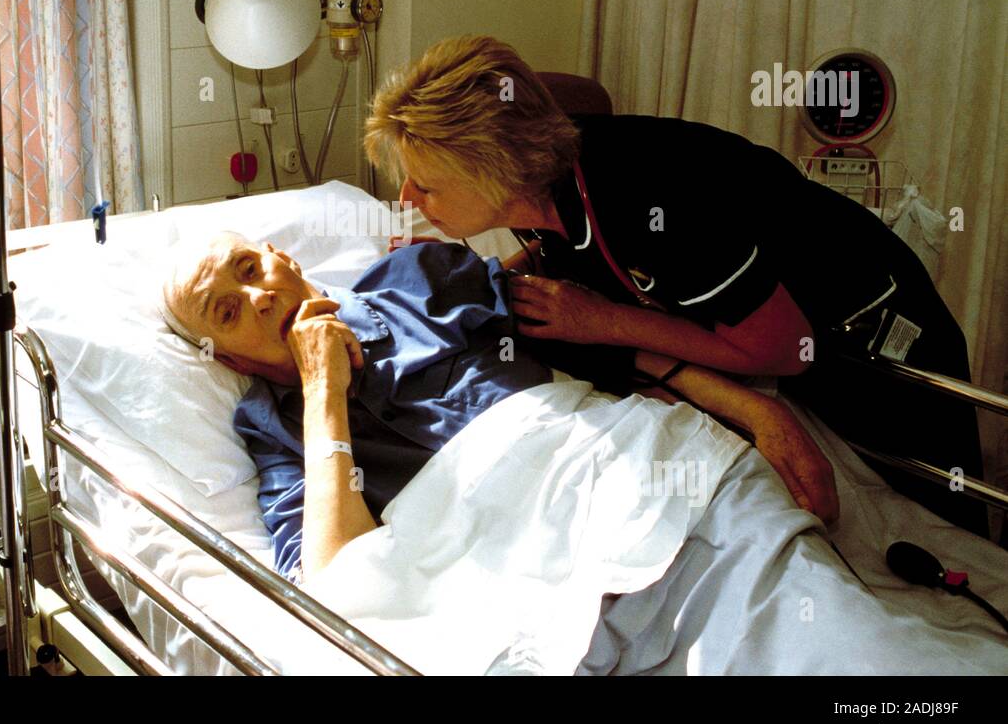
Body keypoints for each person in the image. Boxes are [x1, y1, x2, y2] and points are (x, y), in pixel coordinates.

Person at [363, 34, 991, 540]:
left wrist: (601, 320)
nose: (408, 199)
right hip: (794, 348)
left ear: (496, 172)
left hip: (884, 339)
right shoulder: (549, 189)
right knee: (867, 521)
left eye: (427, 184)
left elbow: (778, 348)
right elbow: (592, 271)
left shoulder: (650, 197)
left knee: (944, 531)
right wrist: (508, 276)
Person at [160, 231, 836, 584]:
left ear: (280, 256)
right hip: (513, 564)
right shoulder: (275, 428)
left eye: (250, 270)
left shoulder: (420, 277)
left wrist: (755, 412)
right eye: (227, 311)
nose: (260, 300)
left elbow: (597, 342)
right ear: (231, 359)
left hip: (617, 472)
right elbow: (336, 575)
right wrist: (322, 393)